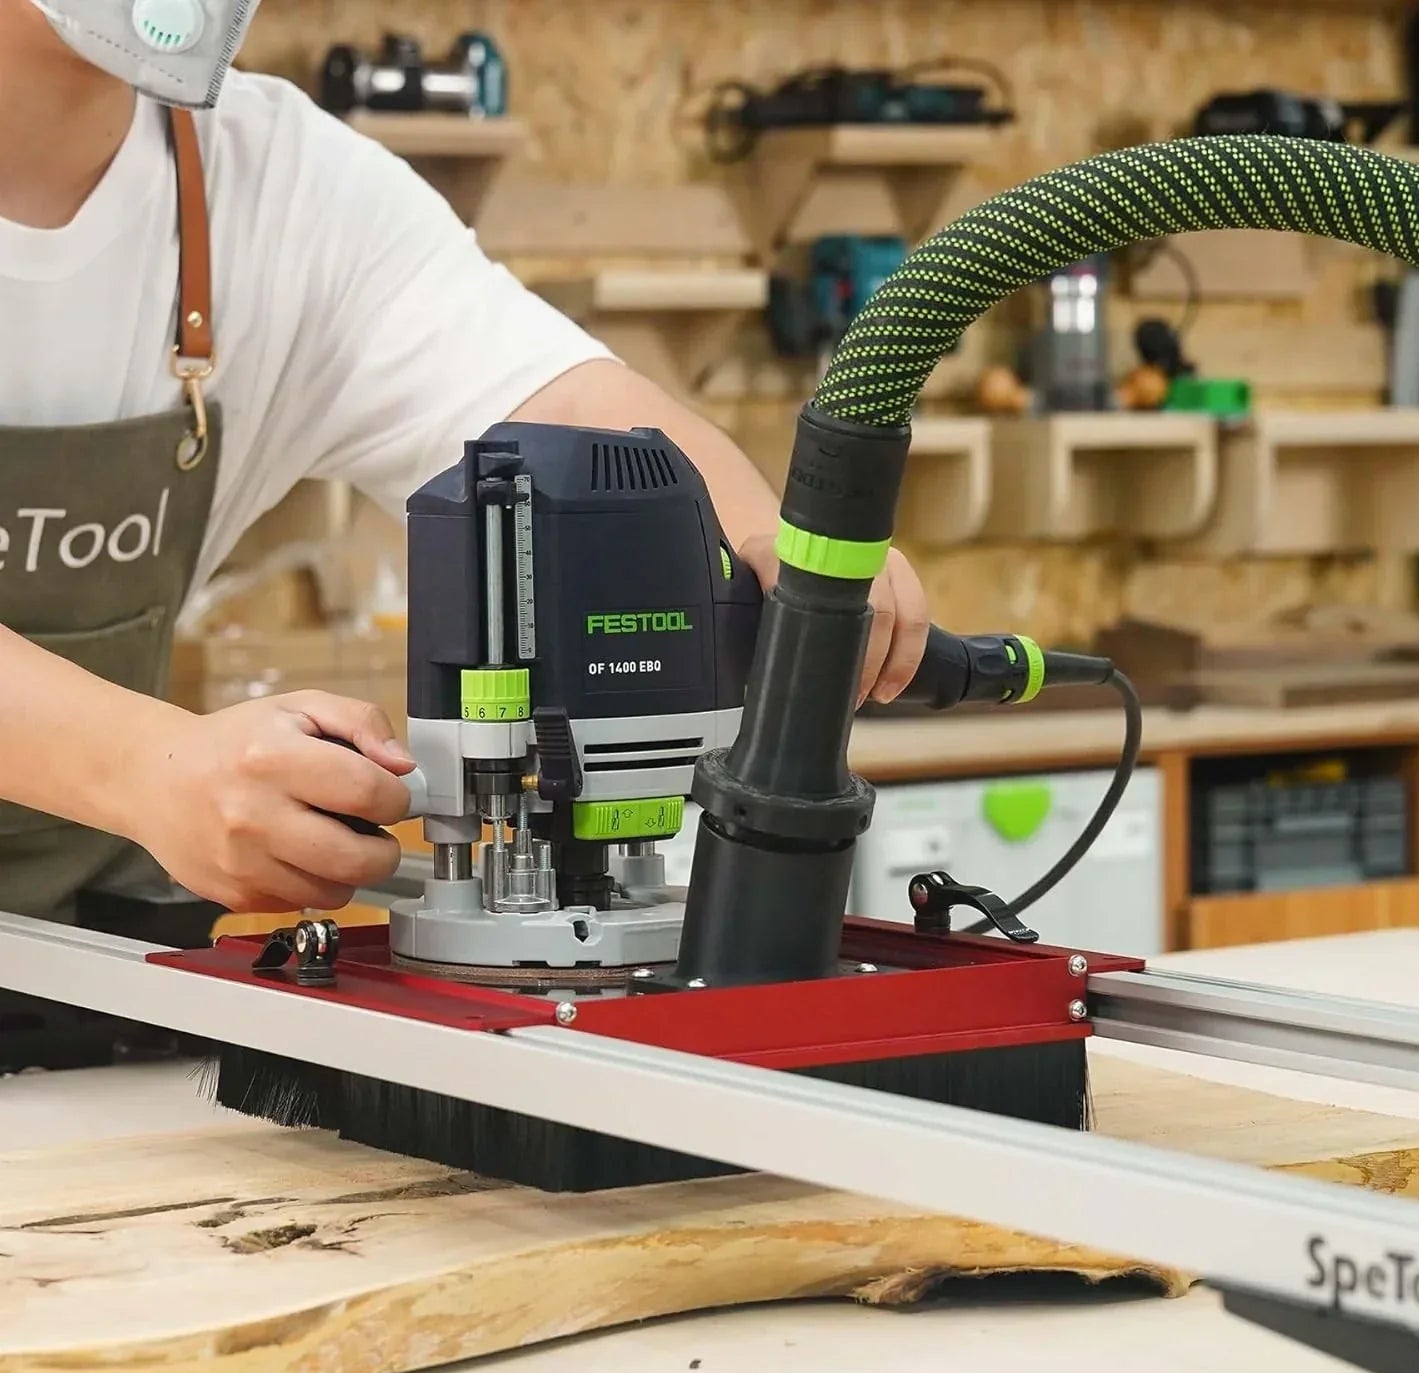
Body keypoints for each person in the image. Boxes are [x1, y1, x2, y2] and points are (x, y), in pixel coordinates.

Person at [0, 0, 930, 925]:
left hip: (70, 933)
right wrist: (147, 766)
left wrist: (768, 545)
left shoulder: (282, 187)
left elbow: (565, 412)